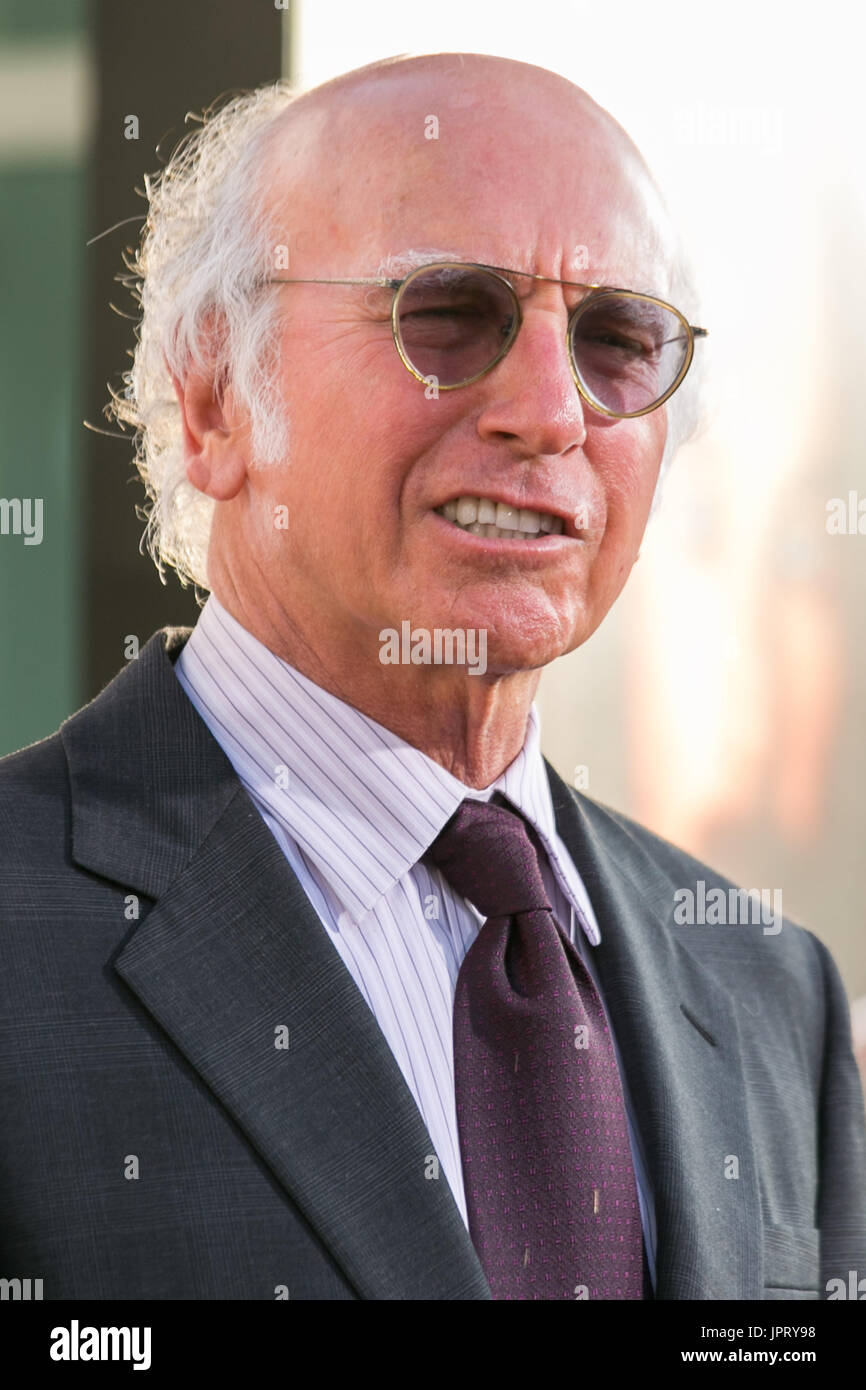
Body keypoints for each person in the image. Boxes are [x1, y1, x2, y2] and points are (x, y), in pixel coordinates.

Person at [1, 52, 863, 1302]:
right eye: (448, 316)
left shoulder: (771, 992)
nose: (550, 412)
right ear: (213, 400)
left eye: (614, 341)